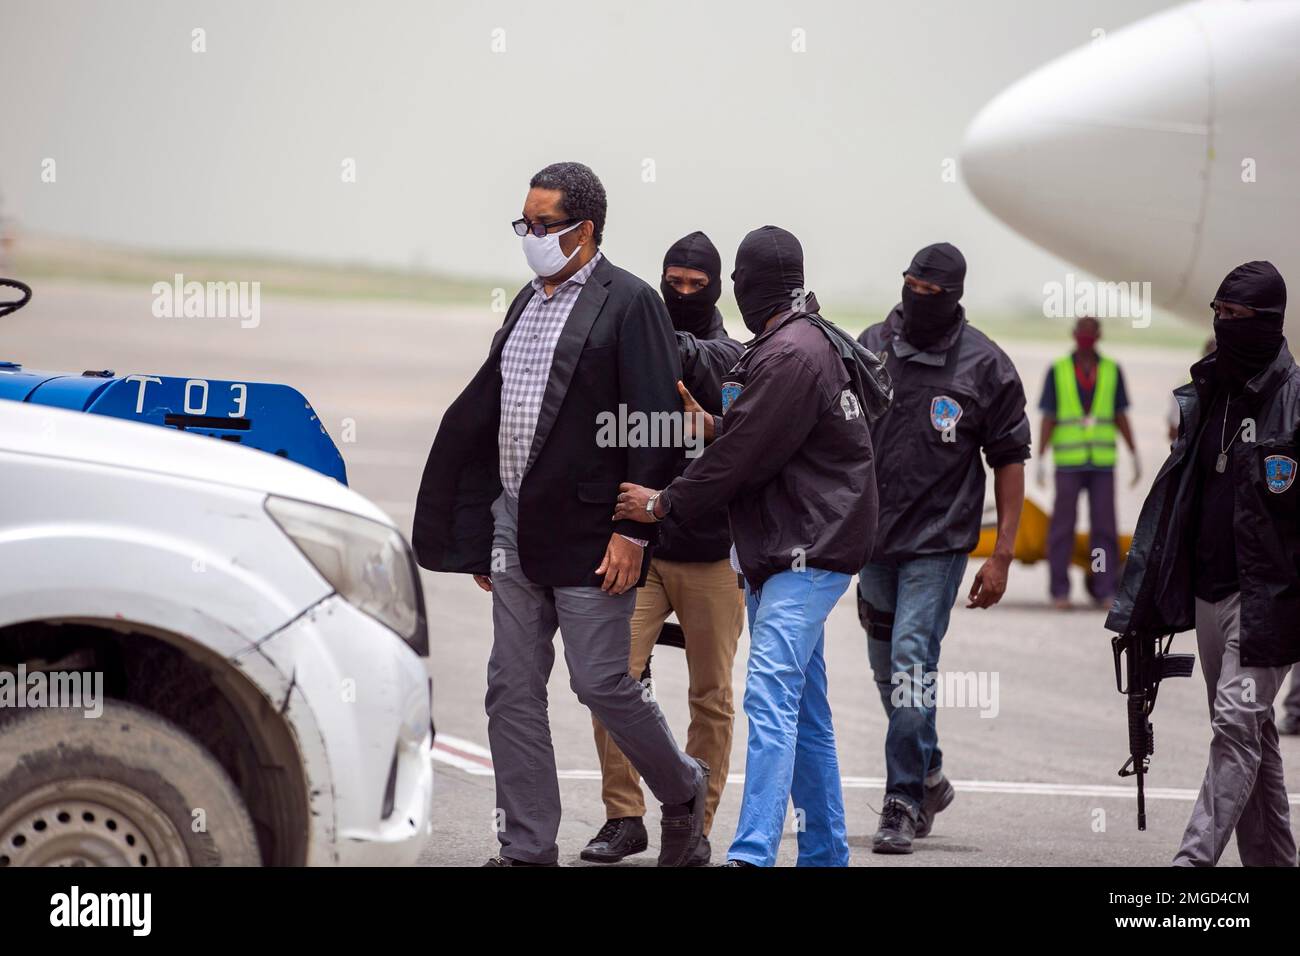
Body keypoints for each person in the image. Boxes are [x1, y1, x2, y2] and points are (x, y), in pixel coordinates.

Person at [412, 162, 707, 867]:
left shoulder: (629, 303)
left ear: (586, 230)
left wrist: (634, 531)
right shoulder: (526, 301)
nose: (533, 237)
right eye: (527, 223)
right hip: (514, 525)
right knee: (510, 687)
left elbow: (655, 423)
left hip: (593, 532)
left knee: (600, 681)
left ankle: (683, 789)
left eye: (546, 225)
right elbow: (494, 415)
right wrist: (483, 529)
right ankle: (526, 847)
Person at [614, 225, 879, 867]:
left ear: (748, 284)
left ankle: (752, 853)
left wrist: (662, 501)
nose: (727, 289)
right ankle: (823, 853)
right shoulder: (797, 342)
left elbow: (738, 461)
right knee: (806, 712)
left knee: (766, 696)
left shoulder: (788, 353)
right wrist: (717, 424)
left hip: (805, 551)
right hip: (785, 550)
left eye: (734, 278)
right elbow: (766, 435)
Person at [1107, 260, 1298, 867]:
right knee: (1253, 736)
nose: (1223, 325)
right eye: (1217, 314)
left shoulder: (1295, 403)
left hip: (1270, 602)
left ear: (1268, 322)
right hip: (1210, 597)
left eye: (1236, 316)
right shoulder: (1207, 392)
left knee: (1236, 725)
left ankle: (1191, 865)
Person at [856, 242, 1030, 853]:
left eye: (932, 294)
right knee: (889, 673)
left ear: (955, 298)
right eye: (911, 286)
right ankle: (929, 773)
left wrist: (1002, 553)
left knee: (910, 661)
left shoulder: (986, 366)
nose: (918, 300)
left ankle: (902, 799)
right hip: (873, 541)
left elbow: (1009, 460)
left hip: (940, 544)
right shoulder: (871, 345)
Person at [582, 231, 744, 866]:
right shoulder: (642, 353)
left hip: (713, 554)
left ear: (717, 289)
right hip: (640, 548)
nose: (680, 294)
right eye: (669, 284)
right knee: (610, 678)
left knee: (712, 695)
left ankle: (696, 824)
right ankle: (625, 816)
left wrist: (641, 336)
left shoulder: (733, 357)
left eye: (693, 286)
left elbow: (707, 359)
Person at [1037, 316, 1140, 610]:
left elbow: (1120, 415)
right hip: (1068, 463)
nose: (1085, 338)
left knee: (1104, 529)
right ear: (1073, 335)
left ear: (1098, 336)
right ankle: (1060, 591)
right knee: (1062, 529)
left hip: (1101, 463)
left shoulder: (1110, 370)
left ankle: (1104, 587)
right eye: (1081, 333)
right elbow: (1049, 416)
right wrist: (1041, 456)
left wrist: (1133, 452)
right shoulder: (1058, 371)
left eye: (1090, 333)